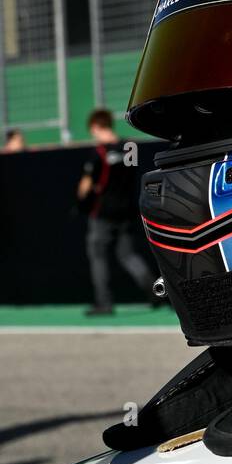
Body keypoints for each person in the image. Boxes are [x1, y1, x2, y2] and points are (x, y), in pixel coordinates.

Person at [77, 108, 157, 316]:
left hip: (103, 212)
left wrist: (83, 198)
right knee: (128, 255)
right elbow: (130, 175)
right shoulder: (130, 147)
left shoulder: (99, 152)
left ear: (96, 127)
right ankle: (155, 294)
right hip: (125, 210)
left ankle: (104, 303)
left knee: (98, 257)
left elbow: (86, 185)